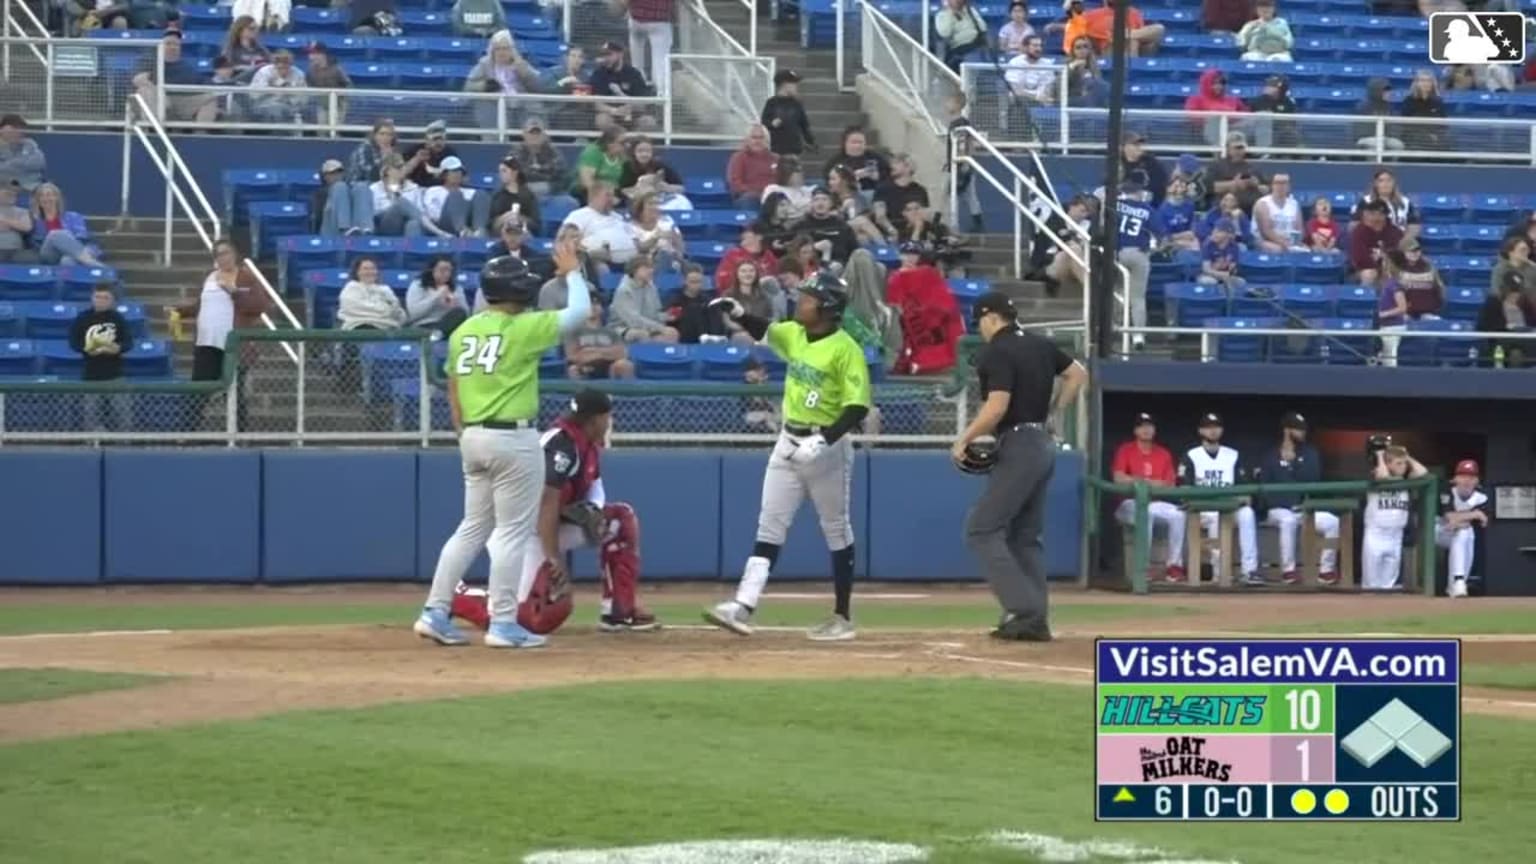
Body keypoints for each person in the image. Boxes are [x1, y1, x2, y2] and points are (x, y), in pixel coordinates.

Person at [413, 242, 593, 649]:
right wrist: (573, 272)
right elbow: (580, 313)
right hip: (513, 437)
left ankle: (435, 611)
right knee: (512, 532)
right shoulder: (523, 327)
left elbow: (453, 386)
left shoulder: (464, 330)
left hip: (473, 436)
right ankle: (504, 623)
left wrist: (464, 432)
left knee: (471, 528)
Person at [703, 275, 873, 641]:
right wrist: (739, 313)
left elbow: (858, 406)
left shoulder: (846, 349)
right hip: (788, 440)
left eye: (809, 298)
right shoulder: (796, 333)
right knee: (769, 526)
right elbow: (766, 330)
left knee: (836, 529)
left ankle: (842, 616)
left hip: (826, 449)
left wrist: (824, 440)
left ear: (826, 308)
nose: (801, 302)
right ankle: (743, 605)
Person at [451, 391, 654, 631]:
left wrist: (594, 509)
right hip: (520, 531)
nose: (609, 421)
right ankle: (455, 596)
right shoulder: (561, 444)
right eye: (607, 416)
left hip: (551, 526)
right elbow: (545, 502)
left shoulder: (587, 444)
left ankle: (619, 611)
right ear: (595, 420)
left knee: (620, 519)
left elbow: (595, 486)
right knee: (525, 619)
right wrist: (554, 558)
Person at [952, 292, 1087, 641]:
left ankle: (1024, 611)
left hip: (1018, 444)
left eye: (980, 322)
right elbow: (1077, 375)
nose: (980, 329)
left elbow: (997, 407)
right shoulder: (1041, 344)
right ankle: (1035, 617)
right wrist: (1055, 413)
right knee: (1024, 537)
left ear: (991, 318)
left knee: (981, 529)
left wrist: (965, 438)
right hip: (1041, 442)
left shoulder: (996, 350)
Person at [1253, 412, 1338, 585]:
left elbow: (1313, 479)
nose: (1302, 433)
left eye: (1303, 429)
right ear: (1287, 430)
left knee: (1332, 522)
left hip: (1304, 509)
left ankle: (1326, 570)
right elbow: (1264, 487)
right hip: (1278, 510)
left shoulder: (1311, 453)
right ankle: (1288, 571)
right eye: (1298, 429)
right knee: (1288, 520)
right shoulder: (1271, 455)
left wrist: (1293, 464)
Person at [1177, 413, 1260, 585]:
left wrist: (1238, 501)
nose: (1213, 431)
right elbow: (1183, 490)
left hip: (1229, 508)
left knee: (1247, 514)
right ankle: (1220, 572)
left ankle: (1249, 570)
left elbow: (1245, 491)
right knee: (1216, 518)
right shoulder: (1191, 455)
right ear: (1200, 431)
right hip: (1202, 510)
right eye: (1208, 427)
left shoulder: (1233, 455)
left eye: (1216, 427)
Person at [177, 240, 270, 381]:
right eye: (218, 255)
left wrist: (235, 293)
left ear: (234, 254)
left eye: (226, 253)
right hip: (205, 342)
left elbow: (259, 305)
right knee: (201, 385)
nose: (223, 258)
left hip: (232, 344)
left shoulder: (246, 278)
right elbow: (201, 306)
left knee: (233, 387)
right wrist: (180, 312)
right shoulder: (209, 277)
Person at [1110, 413, 1187, 583]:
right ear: (1135, 430)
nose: (1146, 429)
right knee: (1146, 513)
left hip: (1156, 502)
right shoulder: (1126, 450)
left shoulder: (1163, 453)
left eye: (1149, 426)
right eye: (1141, 426)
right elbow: (1118, 478)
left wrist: (1137, 481)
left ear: (1154, 429)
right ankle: (1143, 567)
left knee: (1179, 515)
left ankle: (1174, 566)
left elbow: (1170, 484)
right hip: (1128, 503)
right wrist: (1148, 482)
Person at [886, 242, 963, 374]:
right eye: (906, 254)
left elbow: (941, 297)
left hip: (928, 320)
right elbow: (894, 302)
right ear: (900, 255)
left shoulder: (928, 274)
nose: (910, 258)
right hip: (908, 321)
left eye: (914, 254)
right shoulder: (894, 277)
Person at [1362, 444, 1427, 591]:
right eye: (1398, 463)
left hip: (1395, 536)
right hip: (1375, 535)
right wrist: (1381, 456)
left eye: (1404, 463)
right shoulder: (1376, 474)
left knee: (1388, 585)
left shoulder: (1405, 480)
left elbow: (1423, 472)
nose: (1403, 466)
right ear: (1388, 464)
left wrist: (1407, 457)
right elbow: (1383, 476)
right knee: (1371, 585)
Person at [1113, 178, 1159, 349]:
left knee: (1116, 292)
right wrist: (1151, 251)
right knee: (1138, 298)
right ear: (1138, 192)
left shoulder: (1115, 205)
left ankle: (1114, 326)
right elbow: (1161, 235)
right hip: (1139, 253)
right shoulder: (1147, 209)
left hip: (1116, 252)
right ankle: (1138, 336)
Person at [1437, 459, 1488, 599]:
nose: (1467, 480)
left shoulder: (1482, 496)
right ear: (1455, 479)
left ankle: (1457, 584)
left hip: (1459, 533)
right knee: (1463, 530)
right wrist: (1475, 514)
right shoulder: (1446, 489)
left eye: (1471, 477)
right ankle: (1458, 581)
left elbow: (1484, 521)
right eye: (1463, 476)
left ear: (1477, 480)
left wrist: (1459, 519)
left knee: (1465, 532)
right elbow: (1449, 517)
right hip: (1437, 530)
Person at [561, 182, 638, 267]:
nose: (612, 199)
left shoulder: (618, 217)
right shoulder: (579, 215)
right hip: (595, 262)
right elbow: (566, 240)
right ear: (594, 197)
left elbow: (635, 240)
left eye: (612, 196)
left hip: (630, 263)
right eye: (607, 195)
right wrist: (589, 252)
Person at [69, 285, 133, 387]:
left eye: (106, 298)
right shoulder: (82, 318)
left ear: (112, 300)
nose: (101, 301)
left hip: (115, 374)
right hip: (90, 374)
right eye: (97, 297)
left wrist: (118, 348)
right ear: (92, 298)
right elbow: (73, 342)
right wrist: (87, 348)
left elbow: (128, 342)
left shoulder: (118, 318)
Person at [590, 41, 656, 133]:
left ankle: (630, 139)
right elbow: (596, 103)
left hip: (632, 115)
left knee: (649, 122)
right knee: (602, 121)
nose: (606, 58)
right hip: (609, 114)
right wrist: (614, 110)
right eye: (603, 55)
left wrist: (630, 108)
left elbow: (642, 104)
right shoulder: (598, 74)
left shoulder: (634, 74)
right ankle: (623, 137)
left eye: (609, 54)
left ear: (620, 54)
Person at [28, 182, 99, 266]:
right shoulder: (35, 220)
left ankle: (90, 265)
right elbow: (34, 242)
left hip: (74, 252)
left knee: (67, 261)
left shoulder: (73, 216)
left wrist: (67, 244)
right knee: (55, 234)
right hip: (50, 254)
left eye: (49, 195)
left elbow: (82, 236)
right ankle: (96, 266)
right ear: (38, 201)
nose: (45, 198)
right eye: (41, 196)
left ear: (57, 198)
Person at [611, 255, 679, 342]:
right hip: (622, 328)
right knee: (642, 335)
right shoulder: (624, 290)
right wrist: (661, 328)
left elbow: (654, 314)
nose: (651, 271)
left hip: (646, 326)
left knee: (673, 333)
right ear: (634, 270)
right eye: (646, 268)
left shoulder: (651, 286)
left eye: (651, 267)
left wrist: (666, 316)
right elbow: (633, 321)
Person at [564, 299, 637, 379]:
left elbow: (621, 353)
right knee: (573, 369)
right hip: (584, 366)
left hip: (610, 366)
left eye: (596, 303)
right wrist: (607, 352)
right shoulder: (573, 332)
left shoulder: (611, 332)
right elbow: (572, 356)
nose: (592, 307)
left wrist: (592, 351)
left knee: (625, 365)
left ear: (602, 309)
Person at [1477, 271, 1536, 366]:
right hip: (1501, 341)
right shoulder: (1492, 303)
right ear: (1504, 289)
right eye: (1512, 291)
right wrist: (1507, 329)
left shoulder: (1526, 303)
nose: (1515, 294)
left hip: (1526, 340)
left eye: (1517, 291)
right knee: (1515, 353)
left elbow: (1533, 324)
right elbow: (1482, 327)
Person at [422, 156, 491, 237]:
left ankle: (479, 232)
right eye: (453, 171)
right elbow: (432, 215)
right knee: (456, 195)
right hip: (443, 223)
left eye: (459, 170)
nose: (457, 173)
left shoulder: (470, 192)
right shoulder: (433, 191)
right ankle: (463, 231)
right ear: (444, 175)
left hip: (468, 223)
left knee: (481, 194)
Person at [404, 256, 470, 336]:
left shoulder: (457, 288)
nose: (447, 274)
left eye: (449, 271)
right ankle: (437, 334)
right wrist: (436, 296)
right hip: (424, 325)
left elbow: (465, 313)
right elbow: (413, 313)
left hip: (450, 326)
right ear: (432, 270)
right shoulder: (418, 285)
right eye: (442, 270)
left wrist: (456, 302)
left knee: (459, 313)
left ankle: (438, 334)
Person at [337, 257, 407, 330]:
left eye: (373, 268)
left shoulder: (386, 289)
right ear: (357, 272)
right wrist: (386, 310)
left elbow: (399, 313)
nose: (370, 272)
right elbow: (357, 309)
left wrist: (387, 311)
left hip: (389, 328)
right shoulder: (351, 288)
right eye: (365, 269)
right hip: (359, 326)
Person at [761, 69, 816, 157]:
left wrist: (811, 142)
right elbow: (764, 123)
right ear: (785, 85)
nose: (796, 87)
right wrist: (772, 124)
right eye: (794, 84)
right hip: (776, 150)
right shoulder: (772, 103)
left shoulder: (796, 104)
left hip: (794, 150)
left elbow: (804, 125)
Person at [1350, 199, 1404, 286]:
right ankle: (1366, 294)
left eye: (1379, 214)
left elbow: (1401, 256)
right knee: (1369, 274)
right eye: (1371, 214)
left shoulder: (1395, 232)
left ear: (1385, 216)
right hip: (1364, 270)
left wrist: (1388, 267)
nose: (1374, 218)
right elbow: (1359, 259)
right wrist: (1378, 269)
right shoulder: (1359, 232)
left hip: (1391, 270)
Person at [823, 128, 889, 199]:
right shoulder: (836, 161)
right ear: (845, 143)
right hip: (846, 195)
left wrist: (877, 176)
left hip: (874, 193)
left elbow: (888, 175)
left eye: (861, 142)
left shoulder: (875, 157)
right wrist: (851, 176)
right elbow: (829, 181)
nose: (857, 146)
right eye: (854, 142)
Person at [715, 222, 780, 293]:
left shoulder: (768, 256)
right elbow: (722, 282)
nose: (743, 234)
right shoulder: (733, 255)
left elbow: (777, 279)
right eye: (743, 231)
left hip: (764, 296)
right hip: (739, 295)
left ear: (759, 236)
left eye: (747, 231)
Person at [570, 127, 628, 204]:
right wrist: (608, 197)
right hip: (587, 191)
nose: (627, 145)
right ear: (609, 143)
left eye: (627, 142)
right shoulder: (593, 152)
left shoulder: (622, 155)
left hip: (612, 190)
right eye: (623, 143)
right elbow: (586, 181)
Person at [727, 125, 778, 209]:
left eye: (761, 138)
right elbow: (735, 184)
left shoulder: (776, 158)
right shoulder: (739, 158)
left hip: (773, 196)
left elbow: (784, 181)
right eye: (754, 137)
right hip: (751, 196)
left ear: (767, 140)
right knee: (750, 199)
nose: (758, 141)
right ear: (747, 140)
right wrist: (758, 192)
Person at [487, 155, 542, 233]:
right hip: (501, 234)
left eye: (504, 171)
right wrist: (503, 218)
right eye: (500, 171)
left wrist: (519, 218)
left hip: (522, 233)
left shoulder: (528, 196)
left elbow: (536, 225)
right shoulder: (497, 195)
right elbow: (490, 225)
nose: (500, 174)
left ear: (515, 173)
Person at [1252, 172, 1304, 252]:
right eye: (1277, 183)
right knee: (1277, 249)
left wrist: (1295, 244)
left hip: (1288, 242)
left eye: (1284, 183)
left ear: (1289, 186)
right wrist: (1284, 244)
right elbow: (1266, 231)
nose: (1281, 186)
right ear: (1272, 185)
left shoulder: (1294, 204)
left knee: (1306, 250)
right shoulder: (1263, 203)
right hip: (1265, 241)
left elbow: (1299, 229)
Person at [935, 0, 991, 71]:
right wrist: (950, 13)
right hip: (960, 49)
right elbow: (945, 33)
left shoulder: (970, 10)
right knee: (972, 59)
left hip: (977, 45)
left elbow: (983, 27)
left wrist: (968, 11)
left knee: (984, 56)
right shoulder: (942, 15)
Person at [0, 114, 46, 192]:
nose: (19, 132)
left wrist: (10, 164)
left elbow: (40, 162)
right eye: (14, 128)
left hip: (31, 190)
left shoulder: (30, 144)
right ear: (2, 129)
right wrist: (21, 164)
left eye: (21, 128)